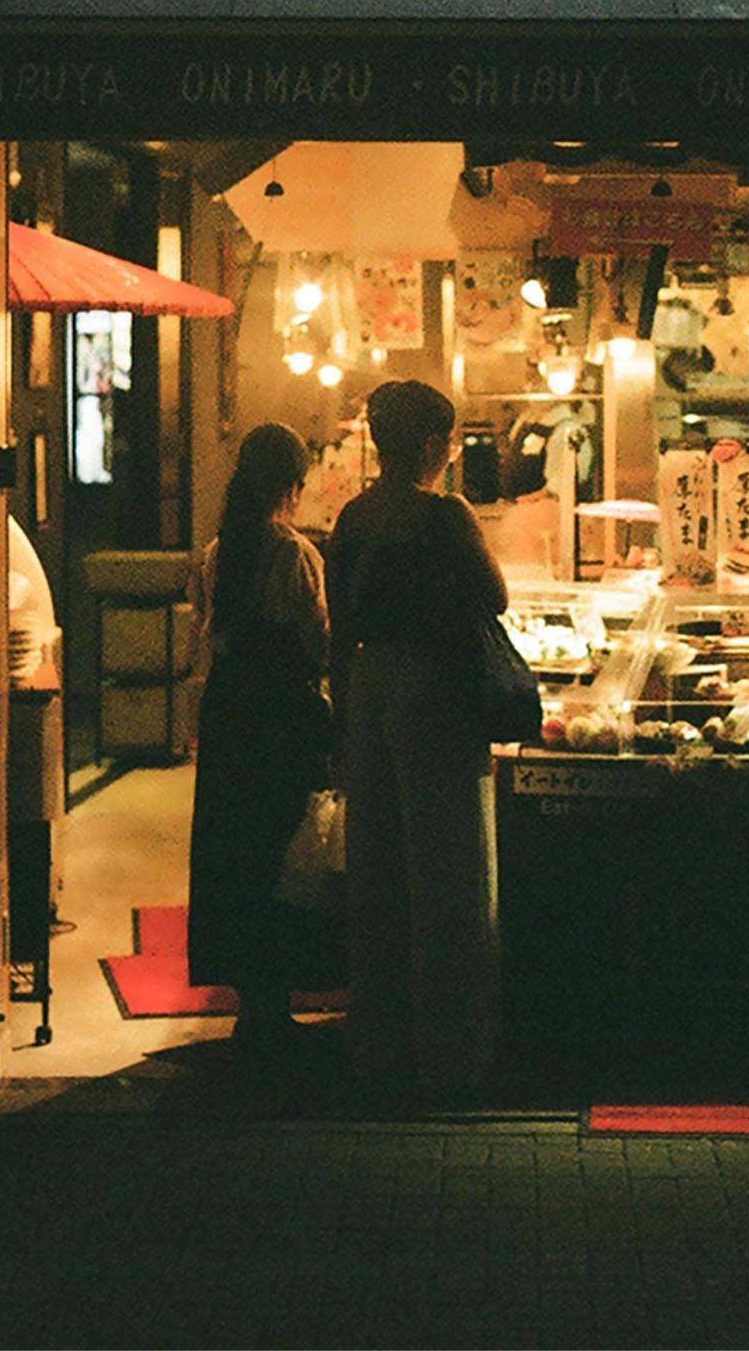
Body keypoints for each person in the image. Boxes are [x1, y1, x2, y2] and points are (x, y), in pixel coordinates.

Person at [326, 380, 510, 1102]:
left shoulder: (353, 516)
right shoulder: (445, 515)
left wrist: (341, 723)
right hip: (434, 689)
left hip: (369, 687)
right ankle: (451, 1055)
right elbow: (494, 596)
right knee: (449, 877)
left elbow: (340, 628)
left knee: (376, 876)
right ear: (435, 445)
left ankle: (375, 1047)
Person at [185, 424, 331, 1057]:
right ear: (291, 486)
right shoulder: (294, 554)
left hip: (229, 712)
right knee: (281, 856)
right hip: (280, 715)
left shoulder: (220, 551)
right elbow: (316, 643)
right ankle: (276, 1006)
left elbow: (206, 628)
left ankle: (252, 1002)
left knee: (231, 856)